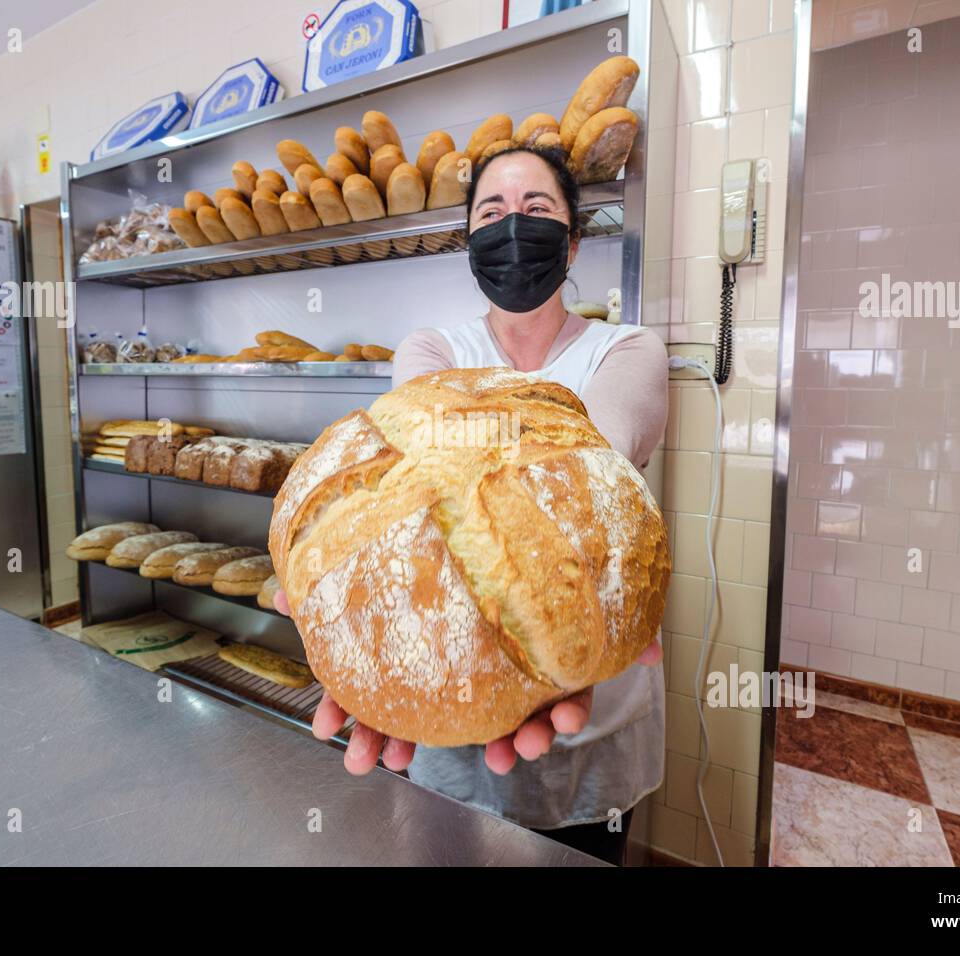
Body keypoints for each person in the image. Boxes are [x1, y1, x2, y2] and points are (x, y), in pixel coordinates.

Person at [276, 145, 669, 866]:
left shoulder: (629, 348)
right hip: (449, 701)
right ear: (470, 243)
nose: (513, 228)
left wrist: (467, 446)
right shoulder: (431, 347)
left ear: (574, 239)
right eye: (492, 213)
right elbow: (413, 457)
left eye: (537, 211)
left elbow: (590, 464)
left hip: (596, 715)